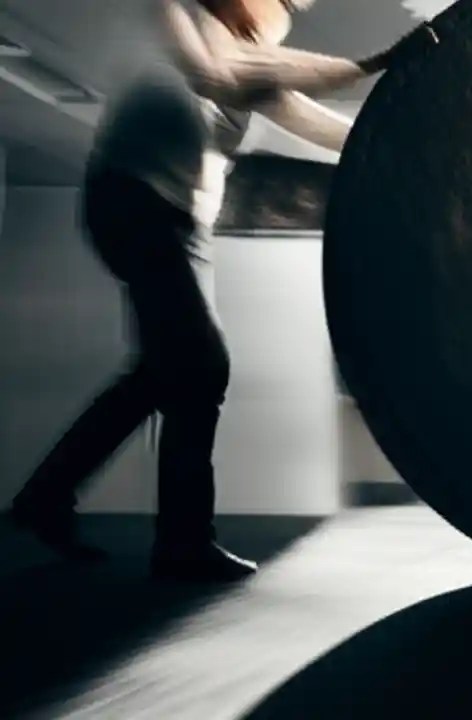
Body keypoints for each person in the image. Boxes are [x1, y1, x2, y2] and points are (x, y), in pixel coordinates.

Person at [7, 0, 433, 582]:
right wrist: (372, 64)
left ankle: (47, 499)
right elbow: (220, 74)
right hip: (135, 201)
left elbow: (316, 122)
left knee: (164, 373)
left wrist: (407, 133)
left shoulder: (254, 64)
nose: (278, 15)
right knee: (201, 367)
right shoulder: (177, 16)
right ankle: (181, 542)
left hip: (179, 222)